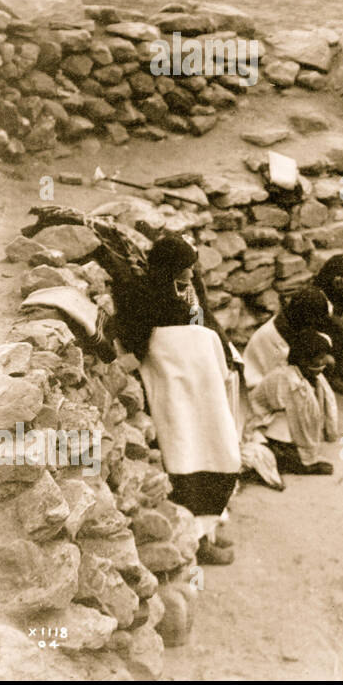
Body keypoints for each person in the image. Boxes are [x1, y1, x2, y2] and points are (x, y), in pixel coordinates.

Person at [113, 235, 239, 565]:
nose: (190, 275)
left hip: (198, 387)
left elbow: (201, 319)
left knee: (217, 446)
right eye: (185, 269)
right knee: (187, 452)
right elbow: (141, 345)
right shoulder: (144, 296)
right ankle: (196, 540)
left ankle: (208, 527)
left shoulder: (180, 290)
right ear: (169, 268)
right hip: (174, 389)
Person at [247, 330, 338, 476]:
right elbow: (300, 419)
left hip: (271, 415)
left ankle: (288, 452)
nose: (324, 362)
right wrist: (309, 459)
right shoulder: (288, 379)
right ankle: (292, 460)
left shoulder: (306, 374)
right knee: (290, 421)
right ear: (303, 360)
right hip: (258, 422)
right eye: (319, 358)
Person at [241, 286, 332, 391]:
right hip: (260, 381)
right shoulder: (272, 334)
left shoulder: (296, 324)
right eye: (315, 320)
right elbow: (277, 374)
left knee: (327, 361)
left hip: (287, 373)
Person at [308, 254, 343, 372]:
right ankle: (334, 375)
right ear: (336, 280)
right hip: (314, 350)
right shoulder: (320, 298)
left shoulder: (338, 293)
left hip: (329, 341)